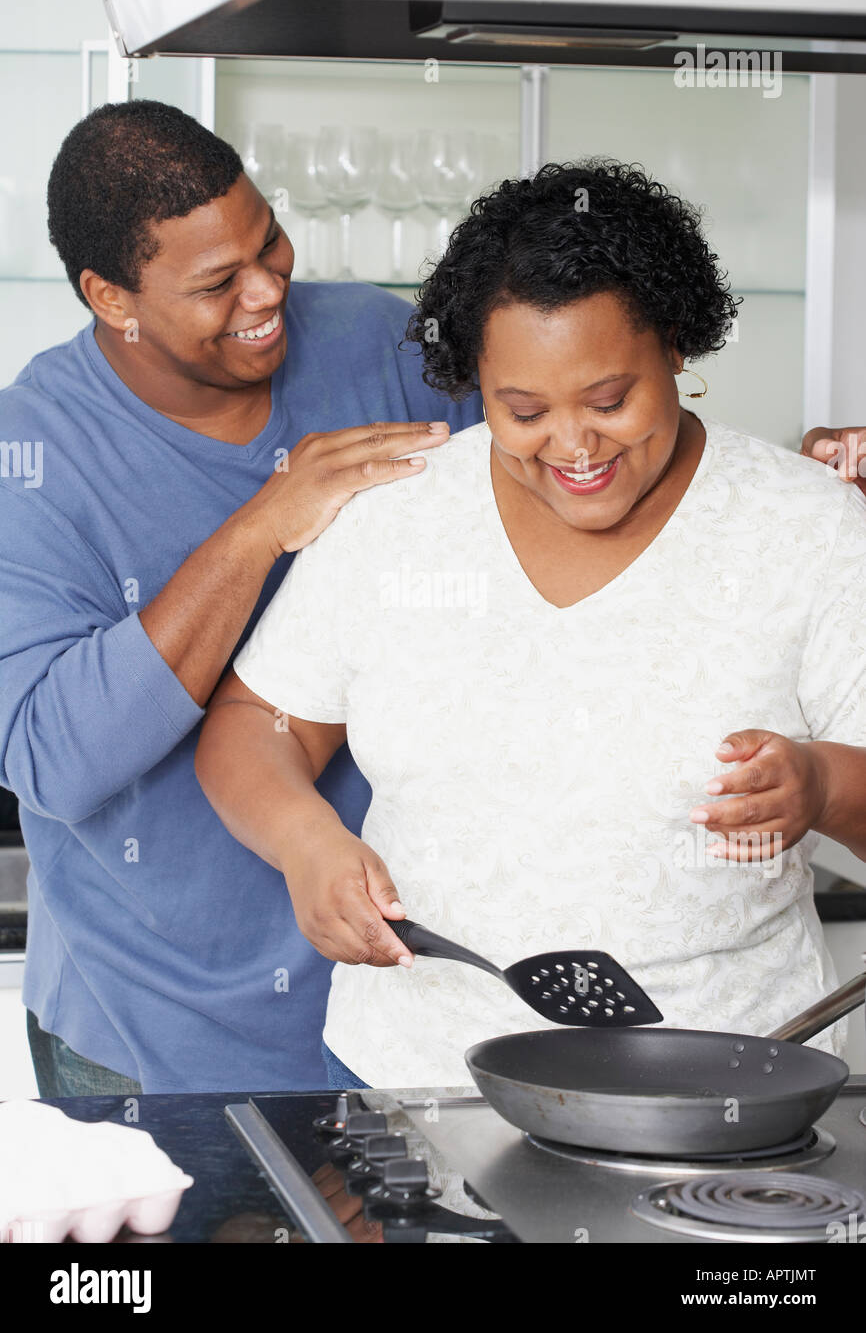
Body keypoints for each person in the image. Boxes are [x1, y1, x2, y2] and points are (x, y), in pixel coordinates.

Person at [196, 160, 866, 1090]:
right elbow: (252, 727)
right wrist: (305, 843)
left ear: (675, 346)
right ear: (477, 380)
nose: (575, 446)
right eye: (523, 411)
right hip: (415, 1080)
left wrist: (824, 784)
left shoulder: (810, 524)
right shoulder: (399, 515)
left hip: (729, 1088)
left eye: (609, 400)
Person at [0, 99, 479, 1097]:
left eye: (269, 243)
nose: (267, 290)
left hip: (404, 1018)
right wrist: (265, 524)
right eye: (218, 283)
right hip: (150, 1049)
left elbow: (559, 484)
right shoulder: (33, 456)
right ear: (110, 296)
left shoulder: (383, 346)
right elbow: (53, 758)